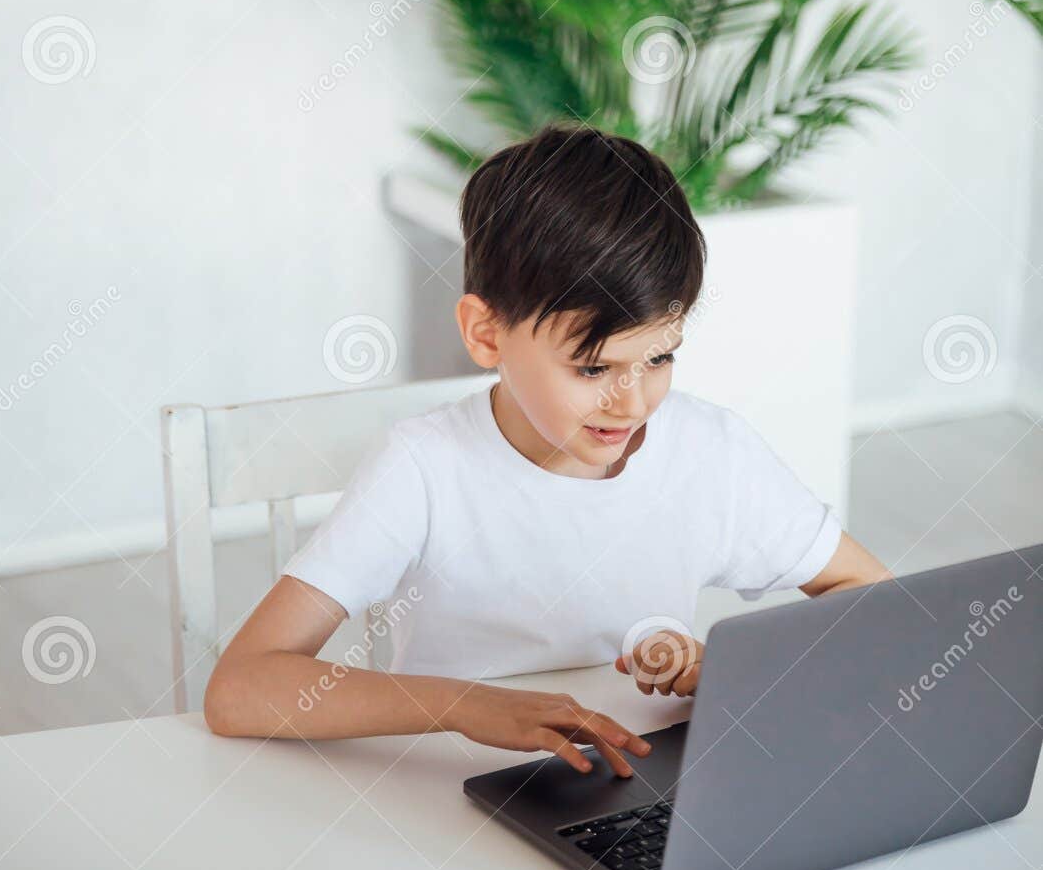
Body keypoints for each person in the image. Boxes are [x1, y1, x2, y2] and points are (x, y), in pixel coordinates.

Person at [203, 123, 890, 775]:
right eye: (592, 370)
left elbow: (871, 596)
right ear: (487, 333)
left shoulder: (713, 451)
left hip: (641, 775)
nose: (632, 401)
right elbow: (240, 686)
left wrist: (745, 669)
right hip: (457, 791)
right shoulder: (424, 469)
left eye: (659, 358)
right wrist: (462, 704)